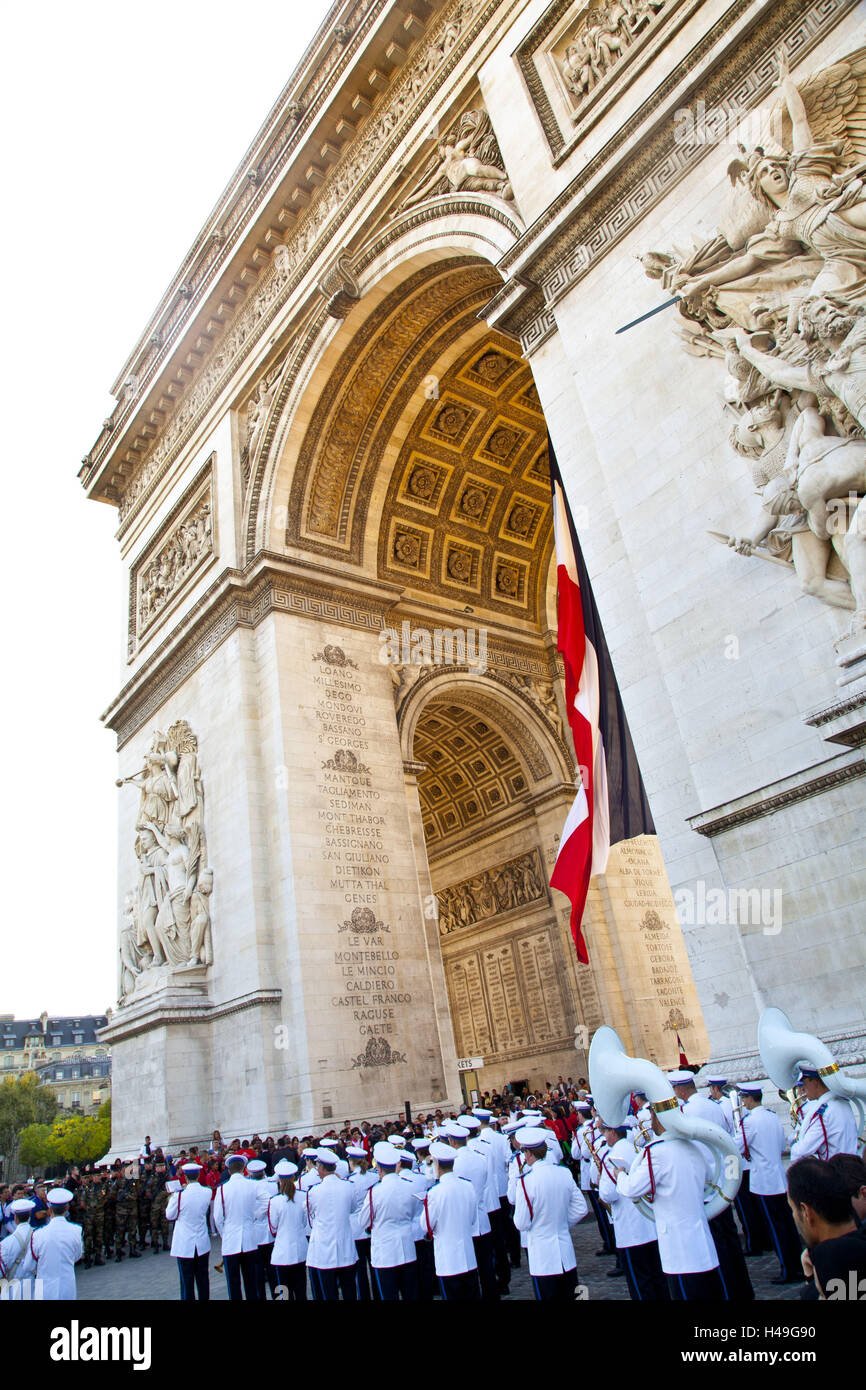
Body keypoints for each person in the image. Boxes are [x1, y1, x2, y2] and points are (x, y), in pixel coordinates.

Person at [615, 1109, 725, 1301]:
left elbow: (631, 1189)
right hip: (702, 1241)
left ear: (661, 1119)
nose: (651, 1123)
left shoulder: (657, 1152)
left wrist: (621, 1176)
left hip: (678, 1247)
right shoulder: (693, 1146)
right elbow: (708, 1178)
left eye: (653, 1117)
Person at [735, 1082, 803, 1284]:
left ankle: (788, 1269)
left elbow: (737, 1147)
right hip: (778, 1177)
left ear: (749, 1098)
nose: (743, 1102)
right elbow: (782, 1145)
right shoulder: (773, 1117)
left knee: (776, 1228)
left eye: (744, 1098)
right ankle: (796, 1264)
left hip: (763, 1181)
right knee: (787, 1224)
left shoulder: (749, 1122)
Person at [512, 1126, 587, 1301]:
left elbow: (521, 1223)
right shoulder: (563, 1173)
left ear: (529, 1153)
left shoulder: (526, 1182)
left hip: (543, 1257)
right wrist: (561, 1223)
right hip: (565, 1253)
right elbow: (580, 1209)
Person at [597, 1120, 669, 1301]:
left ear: (613, 1132)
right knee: (659, 1278)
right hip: (650, 1224)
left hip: (630, 1229)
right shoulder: (639, 1149)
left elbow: (607, 1194)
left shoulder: (611, 1157)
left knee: (640, 1283)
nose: (605, 1136)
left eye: (606, 1132)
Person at [787, 1157, 866, 1299]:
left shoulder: (832, 1255)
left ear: (806, 1212)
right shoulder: (858, 1240)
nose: (794, 1216)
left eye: (793, 1209)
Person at [419, 1140, 480, 1300]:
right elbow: (473, 1219)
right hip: (468, 1256)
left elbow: (426, 1225)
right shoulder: (467, 1186)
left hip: (448, 1260)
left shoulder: (435, 1192)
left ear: (436, 1164)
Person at [365, 1141, 420, 1300]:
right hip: (406, 1249)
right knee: (411, 1294)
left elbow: (364, 1221)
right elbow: (413, 1212)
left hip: (385, 1254)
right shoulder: (408, 1186)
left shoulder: (375, 1192)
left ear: (380, 1168)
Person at [306, 1148, 361, 1300]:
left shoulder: (314, 1191)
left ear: (322, 1168)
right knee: (350, 1291)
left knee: (328, 1293)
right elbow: (353, 1209)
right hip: (345, 1248)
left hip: (324, 1251)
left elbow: (310, 1215)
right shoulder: (348, 1186)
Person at [212, 1153, 260, 1300]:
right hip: (249, 1239)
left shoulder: (222, 1189)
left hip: (230, 1239)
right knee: (251, 1282)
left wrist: (224, 1233)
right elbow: (262, 1204)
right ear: (244, 1169)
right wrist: (253, 1218)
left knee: (233, 1284)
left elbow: (218, 1217)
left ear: (228, 1170)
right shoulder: (252, 1185)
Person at [789, 1067, 859, 1161]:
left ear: (815, 1083)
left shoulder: (824, 1111)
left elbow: (800, 1152)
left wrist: (794, 1145)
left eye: (805, 1084)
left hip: (835, 1171)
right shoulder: (843, 1103)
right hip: (852, 1168)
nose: (803, 1089)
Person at [264, 1160, 308, 1301]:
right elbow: (304, 1222)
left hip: (282, 1253)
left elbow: (273, 1229)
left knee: (283, 1294)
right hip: (300, 1250)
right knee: (301, 1291)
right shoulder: (303, 1196)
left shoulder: (275, 1201)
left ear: (280, 1180)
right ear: (294, 1178)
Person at [166, 1161, 211, 1300]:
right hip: (202, 1242)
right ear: (198, 1176)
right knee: (203, 1279)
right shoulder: (207, 1192)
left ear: (185, 1177)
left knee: (187, 1282)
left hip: (185, 1244)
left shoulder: (179, 1195)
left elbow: (169, 1215)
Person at [30, 1188, 83, 1300]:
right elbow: (77, 1255)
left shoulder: (38, 1234)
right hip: (67, 1285)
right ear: (67, 1208)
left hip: (44, 1287)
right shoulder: (76, 1230)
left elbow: (30, 1264)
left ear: (50, 1209)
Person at [0, 1198, 37, 1297]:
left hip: (14, 1290)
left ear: (15, 1218)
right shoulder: (40, 1237)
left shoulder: (6, 1243)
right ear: (29, 1216)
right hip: (36, 1287)